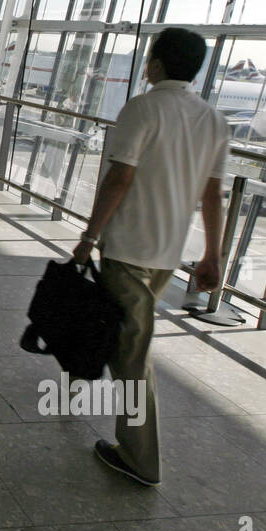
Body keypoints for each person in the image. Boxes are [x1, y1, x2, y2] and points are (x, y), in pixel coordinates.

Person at [71, 26, 229, 488]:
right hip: (166, 256)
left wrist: (89, 235)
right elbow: (214, 195)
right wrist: (213, 255)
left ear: (156, 63)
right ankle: (82, 379)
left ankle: (140, 458)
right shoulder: (213, 120)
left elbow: (119, 178)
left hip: (128, 249)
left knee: (134, 355)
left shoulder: (142, 108)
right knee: (127, 338)